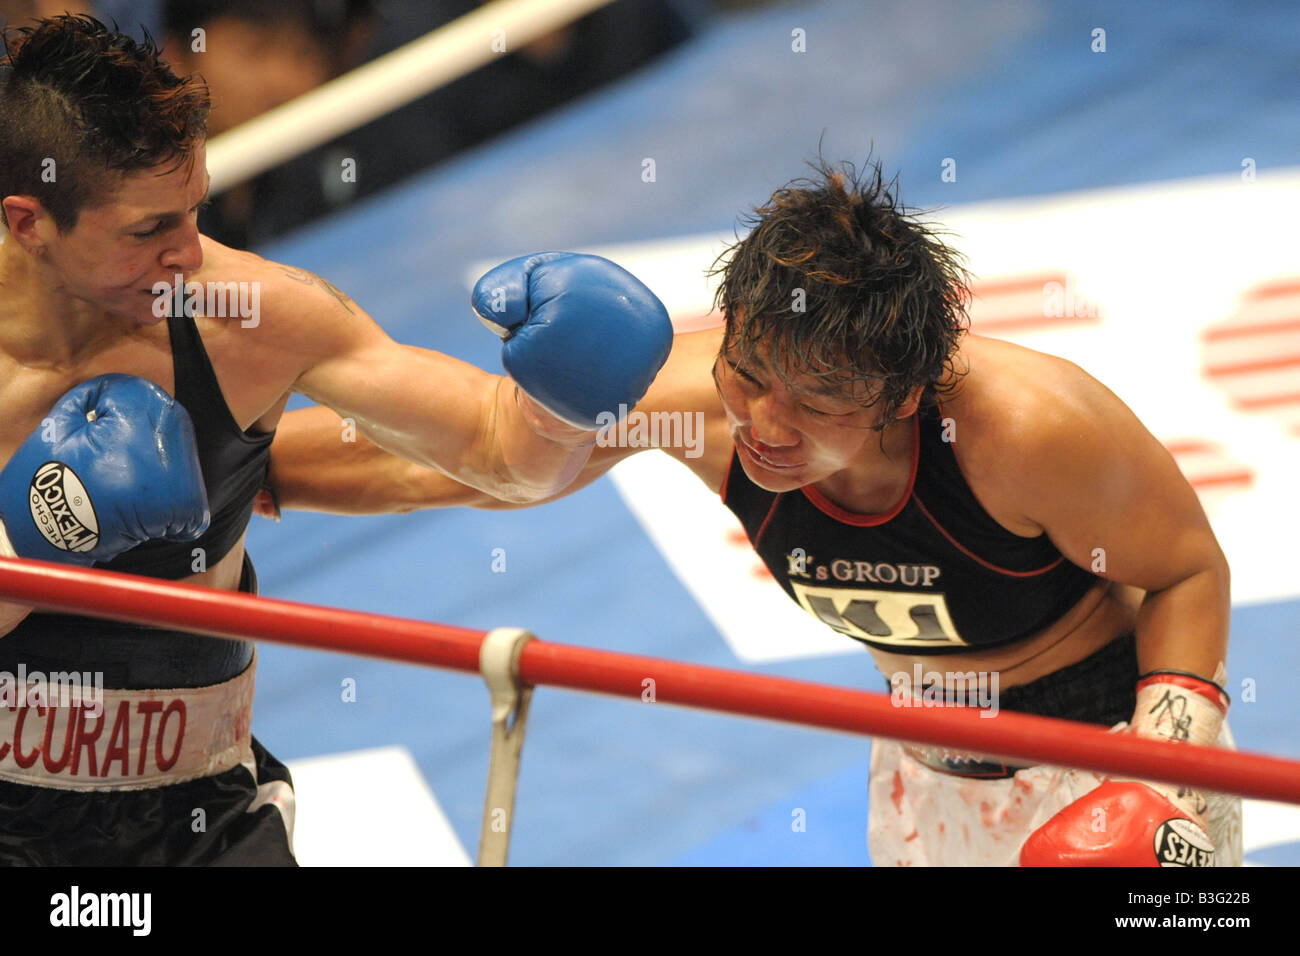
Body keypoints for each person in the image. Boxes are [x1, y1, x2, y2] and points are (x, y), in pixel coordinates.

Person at [261, 158, 1243, 867]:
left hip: (1108, 738)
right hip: (920, 752)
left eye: (815, 405)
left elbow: (1186, 570)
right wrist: (242, 468)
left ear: (899, 397)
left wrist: (1151, 781)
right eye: (750, 372)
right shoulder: (697, 396)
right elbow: (486, 459)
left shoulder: (1026, 429)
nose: (765, 425)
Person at [0, 15, 671, 865]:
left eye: (194, 211)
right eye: (147, 231)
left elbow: (503, 456)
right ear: (29, 222)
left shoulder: (253, 318)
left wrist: (564, 402)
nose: (188, 254)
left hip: (190, 819)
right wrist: (33, 541)